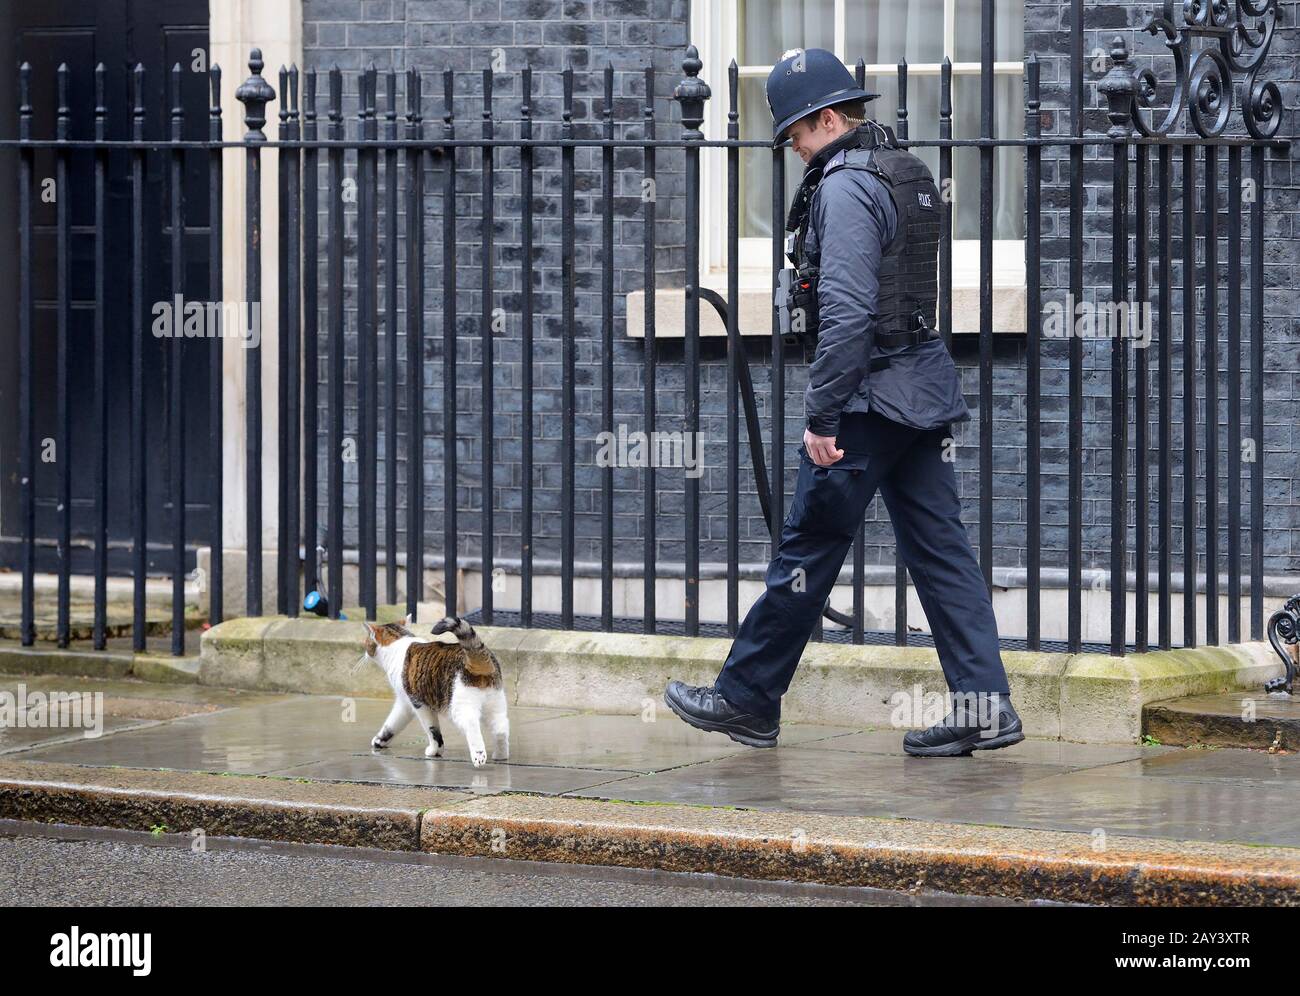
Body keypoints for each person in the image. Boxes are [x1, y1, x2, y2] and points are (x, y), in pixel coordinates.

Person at [663, 47, 1023, 758]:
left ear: (828, 118)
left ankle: (746, 699)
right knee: (941, 551)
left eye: (796, 131)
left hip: (866, 403)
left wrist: (822, 418)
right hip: (917, 387)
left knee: (808, 546)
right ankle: (985, 706)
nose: (793, 147)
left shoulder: (846, 187)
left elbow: (850, 309)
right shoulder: (903, 169)